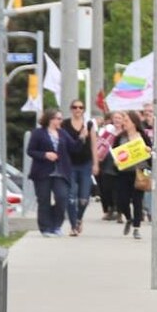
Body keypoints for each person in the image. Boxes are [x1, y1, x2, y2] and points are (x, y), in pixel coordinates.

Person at [27, 109, 81, 237]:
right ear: (50, 119)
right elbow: (30, 151)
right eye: (58, 118)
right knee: (44, 200)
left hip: (60, 172)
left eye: (61, 119)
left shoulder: (62, 133)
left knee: (62, 198)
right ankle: (45, 227)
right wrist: (45, 154)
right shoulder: (38, 133)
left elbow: (73, 148)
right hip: (42, 172)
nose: (60, 121)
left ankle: (56, 225)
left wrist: (82, 138)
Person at [112, 110, 153, 239]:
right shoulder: (120, 137)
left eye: (126, 121)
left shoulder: (142, 136)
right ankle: (129, 218)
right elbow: (114, 151)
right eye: (123, 120)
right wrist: (115, 160)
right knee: (122, 200)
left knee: (137, 200)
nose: (124, 123)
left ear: (134, 122)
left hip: (141, 171)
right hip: (124, 172)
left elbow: (150, 152)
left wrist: (148, 151)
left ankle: (136, 227)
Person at [64, 100, 98, 236]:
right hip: (70, 164)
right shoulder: (65, 124)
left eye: (80, 107)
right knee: (70, 196)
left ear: (83, 110)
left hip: (85, 164)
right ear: (71, 109)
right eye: (75, 107)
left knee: (84, 198)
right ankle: (73, 226)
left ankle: (78, 218)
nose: (78, 110)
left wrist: (96, 164)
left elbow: (94, 146)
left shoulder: (89, 125)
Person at [97, 111, 122, 222]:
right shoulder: (107, 131)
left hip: (122, 161)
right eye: (115, 118)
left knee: (119, 187)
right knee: (107, 186)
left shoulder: (126, 132)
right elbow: (100, 143)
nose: (117, 120)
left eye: (119, 118)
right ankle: (110, 207)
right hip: (107, 160)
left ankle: (118, 210)